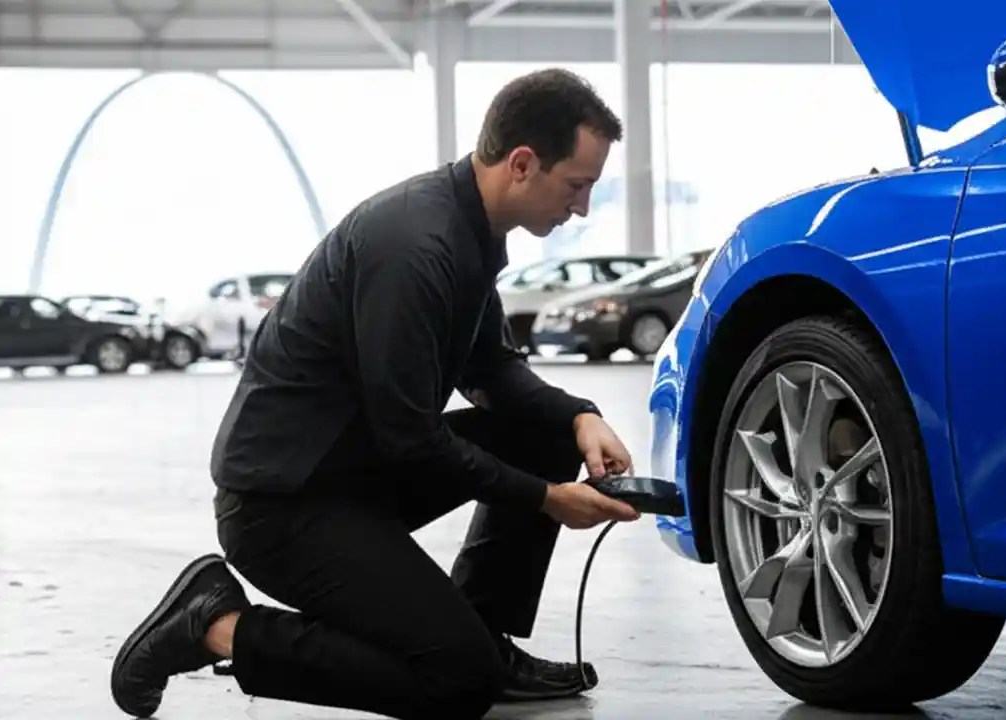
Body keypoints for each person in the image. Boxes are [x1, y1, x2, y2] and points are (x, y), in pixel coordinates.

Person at [109, 68, 643, 720]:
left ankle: (483, 634)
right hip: (284, 507)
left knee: (541, 432)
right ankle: (214, 622)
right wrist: (545, 498)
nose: (582, 208)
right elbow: (412, 440)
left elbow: (492, 370)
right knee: (458, 682)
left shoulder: (471, 232)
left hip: (355, 473)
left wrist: (581, 418)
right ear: (524, 164)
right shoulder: (417, 247)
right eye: (578, 186)